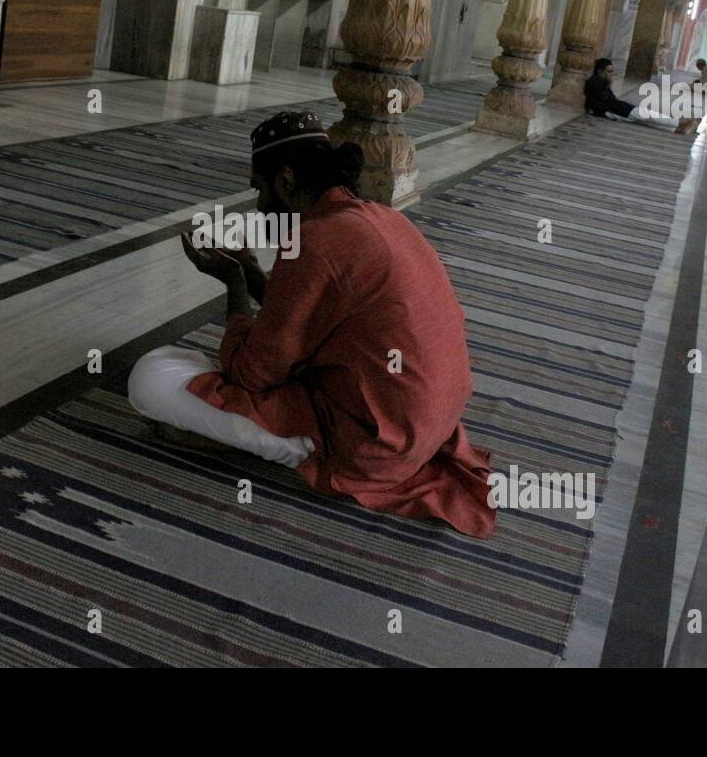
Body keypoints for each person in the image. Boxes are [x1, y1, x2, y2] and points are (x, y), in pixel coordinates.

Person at [127, 110, 497, 538]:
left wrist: (232, 285)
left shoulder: (312, 238)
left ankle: (282, 449)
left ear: (285, 181)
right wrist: (250, 272)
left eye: (259, 188)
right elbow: (313, 323)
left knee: (150, 376)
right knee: (210, 365)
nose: (260, 203)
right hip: (426, 425)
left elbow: (251, 375)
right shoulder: (382, 218)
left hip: (373, 446)